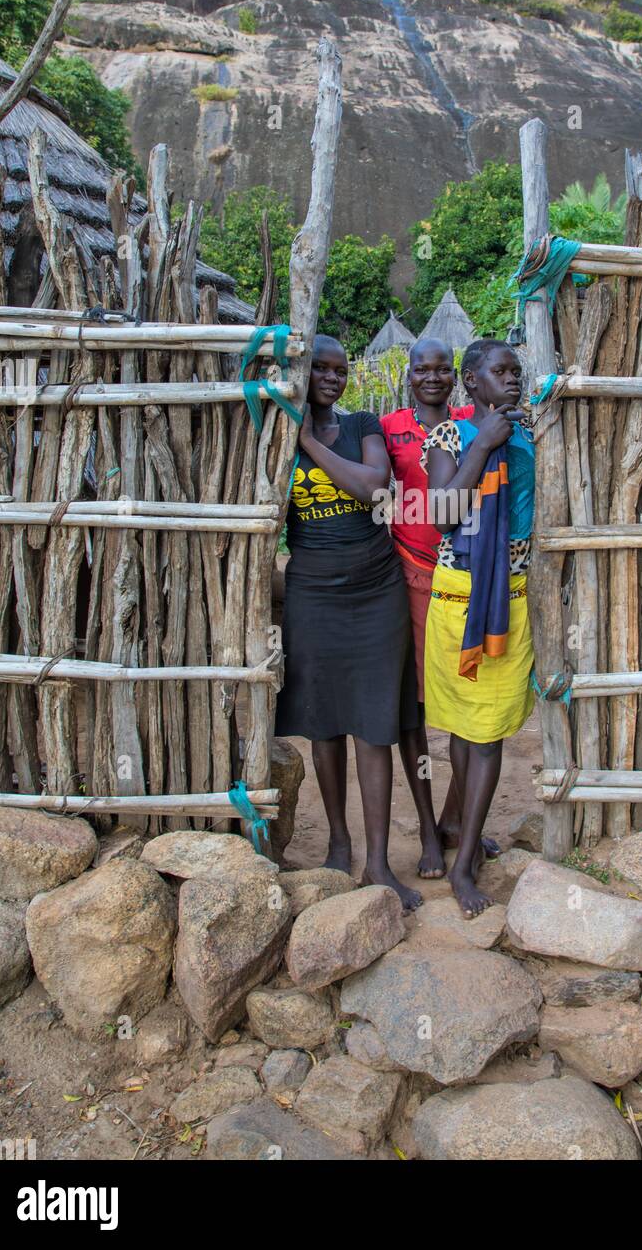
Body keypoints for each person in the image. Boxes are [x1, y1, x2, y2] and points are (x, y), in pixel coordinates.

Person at [275, 334, 422, 910]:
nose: (333, 378)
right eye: (321, 369)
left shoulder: (363, 425)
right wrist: (297, 438)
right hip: (312, 590)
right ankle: (339, 845)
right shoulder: (274, 440)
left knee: (374, 721)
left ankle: (379, 863)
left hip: (375, 588)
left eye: (339, 370)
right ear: (301, 373)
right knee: (324, 723)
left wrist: (310, 440)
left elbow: (373, 489)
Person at [422, 339, 536, 917]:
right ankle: (463, 857)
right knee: (468, 731)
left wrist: (505, 439)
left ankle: (461, 842)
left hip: (509, 600)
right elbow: (441, 513)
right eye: (500, 371)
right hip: (457, 596)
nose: (512, 380)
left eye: (516, 371)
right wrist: (485, 443)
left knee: (486, 730)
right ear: (472, 383)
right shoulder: (448, 437)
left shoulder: (535, 434)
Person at [379, 337, 479, 879]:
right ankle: (425, 825)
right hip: (410, 571)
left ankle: (457, 816)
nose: (433, 377)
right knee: (414, 708)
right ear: (410, 374)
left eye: (444, 369)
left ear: (456, 376)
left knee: (472, 697)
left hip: (466, 575)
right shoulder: (388, 427)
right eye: (424, 369)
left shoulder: (471, 420)